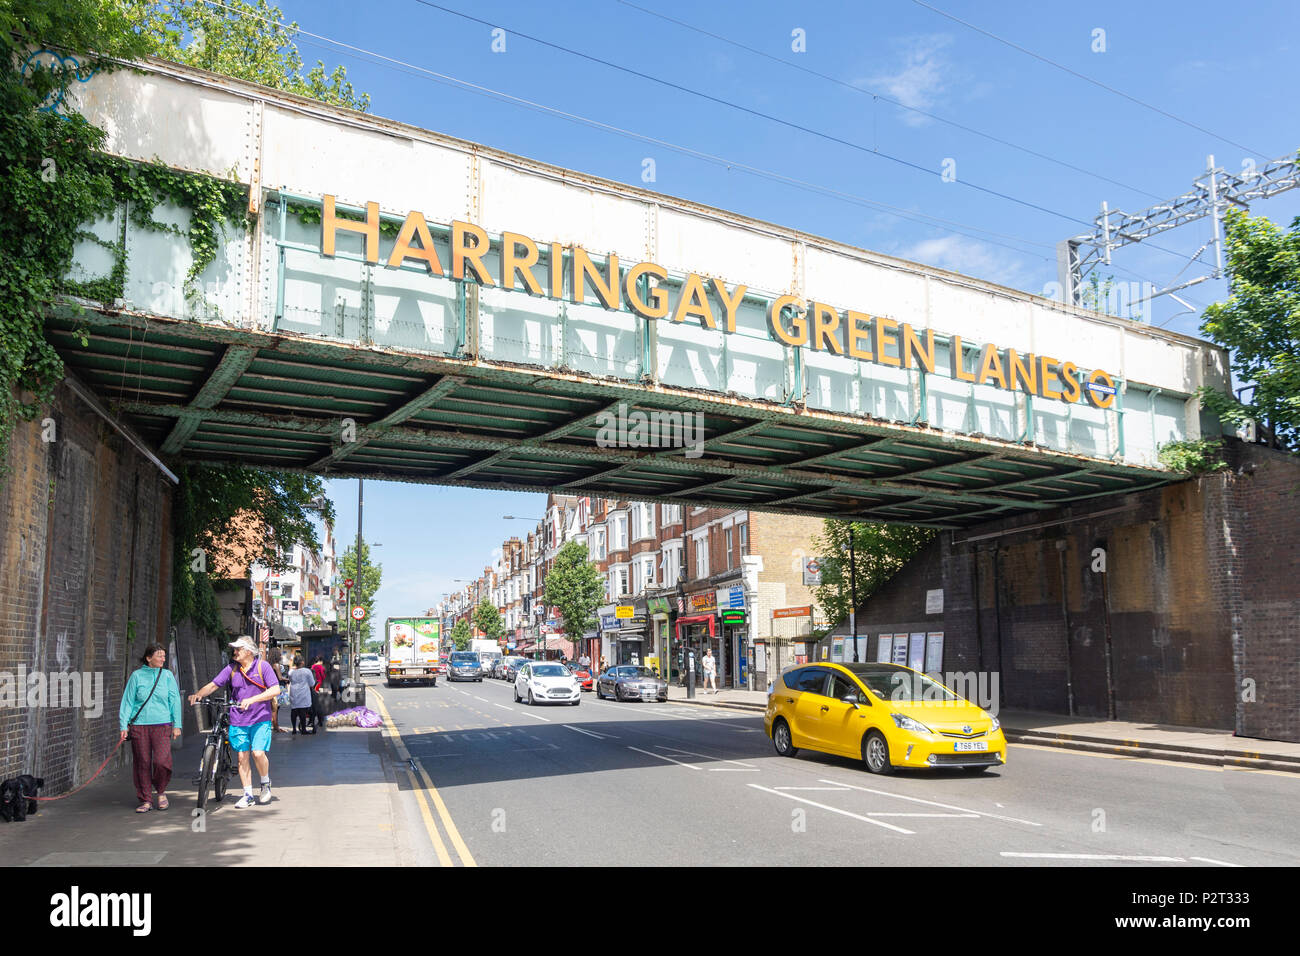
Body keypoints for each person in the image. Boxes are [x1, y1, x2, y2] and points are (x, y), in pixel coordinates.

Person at [189, 636, 282, 808]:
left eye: (238, 649)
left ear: (248, 651)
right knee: (241, 756)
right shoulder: (232, 669)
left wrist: (253, 699)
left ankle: (265, 783)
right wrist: (199, 694)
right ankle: (247, 794)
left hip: (260, 718)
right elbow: (213, 685)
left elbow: (275, 689)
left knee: (258, 753)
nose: (235, 652)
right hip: (238, 718)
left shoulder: (263, 667)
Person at [118, 643, 182, 813]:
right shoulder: (136, 676)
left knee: (161, 761)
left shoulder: (168, 676)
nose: (163, 658)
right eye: (159, 655)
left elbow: (174, 701)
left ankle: (161, 792)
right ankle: (145, 799)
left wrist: (177, 725)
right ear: (148, 658)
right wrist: (123, 725)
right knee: (142, 763)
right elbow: (128, 702)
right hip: (139, 726)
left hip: (162, 724)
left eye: (164, 655)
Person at [288, 655, 315, 735]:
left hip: (293, 692)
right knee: (302, 711)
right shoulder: (307, 671)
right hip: (303, 692)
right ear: (302, 662)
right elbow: (312, 683)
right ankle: (303, 729)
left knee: (294, 710)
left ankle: (293, 729)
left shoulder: (291, 672)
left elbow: (290, 680)